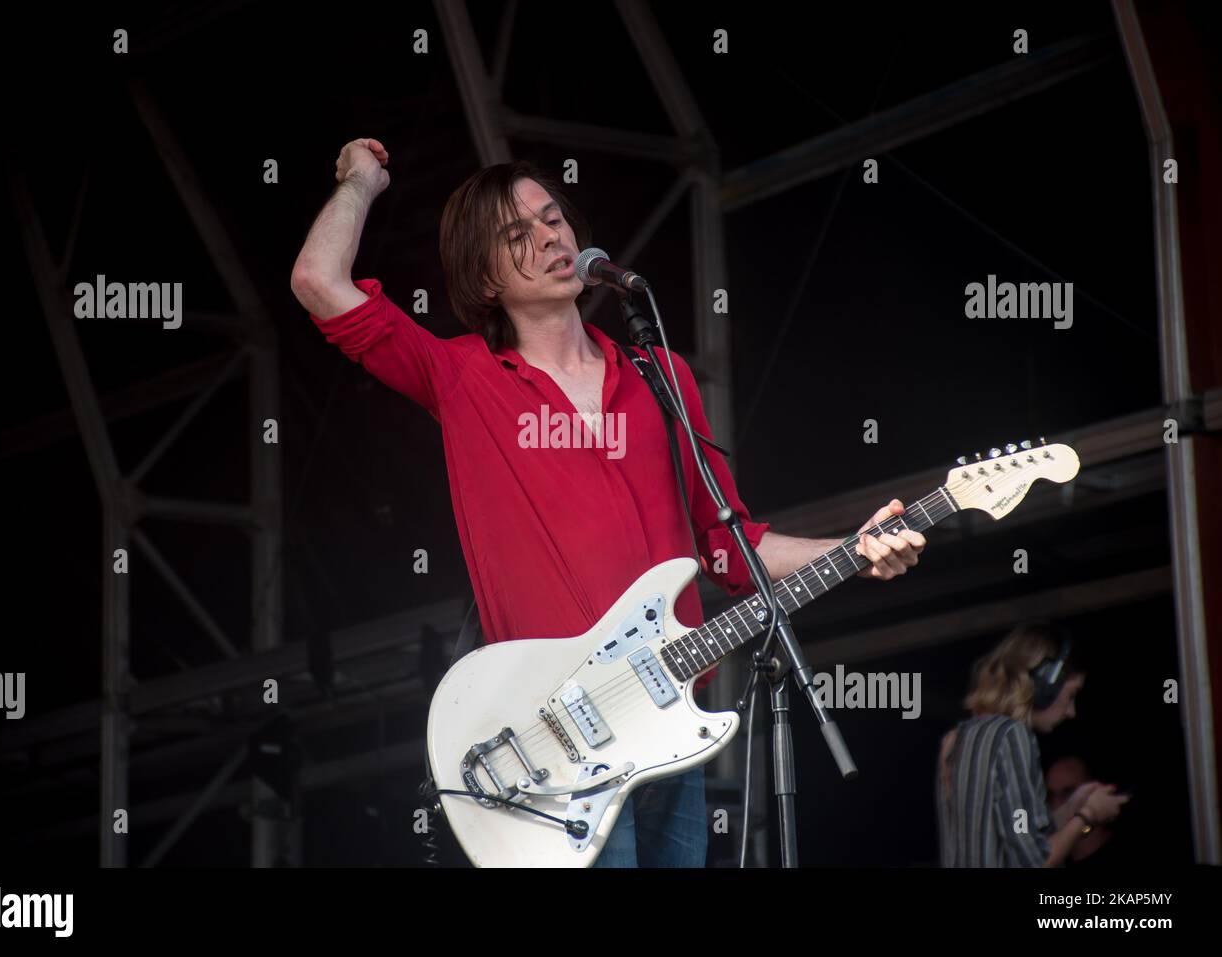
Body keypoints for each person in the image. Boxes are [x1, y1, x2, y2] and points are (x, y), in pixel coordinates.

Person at [290, 137, 927, 867]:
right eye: (516, 233)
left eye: (554, 217)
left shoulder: (662, 378)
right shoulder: (462, 376)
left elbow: (728, 546)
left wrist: (854, 550)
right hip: (552, 741)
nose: (551, 235)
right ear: (484, 276)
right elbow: (317, 278)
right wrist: (359, 184)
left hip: (668, 726)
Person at [937, 622, 1128, 867]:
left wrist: (1072, 807)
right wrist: (1088, 816)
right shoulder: (1011, 736)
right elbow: (1033, 861)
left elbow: (1016, 838)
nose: (1071, 711)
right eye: (1070, 695)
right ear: (1044, 684)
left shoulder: (962, 737)